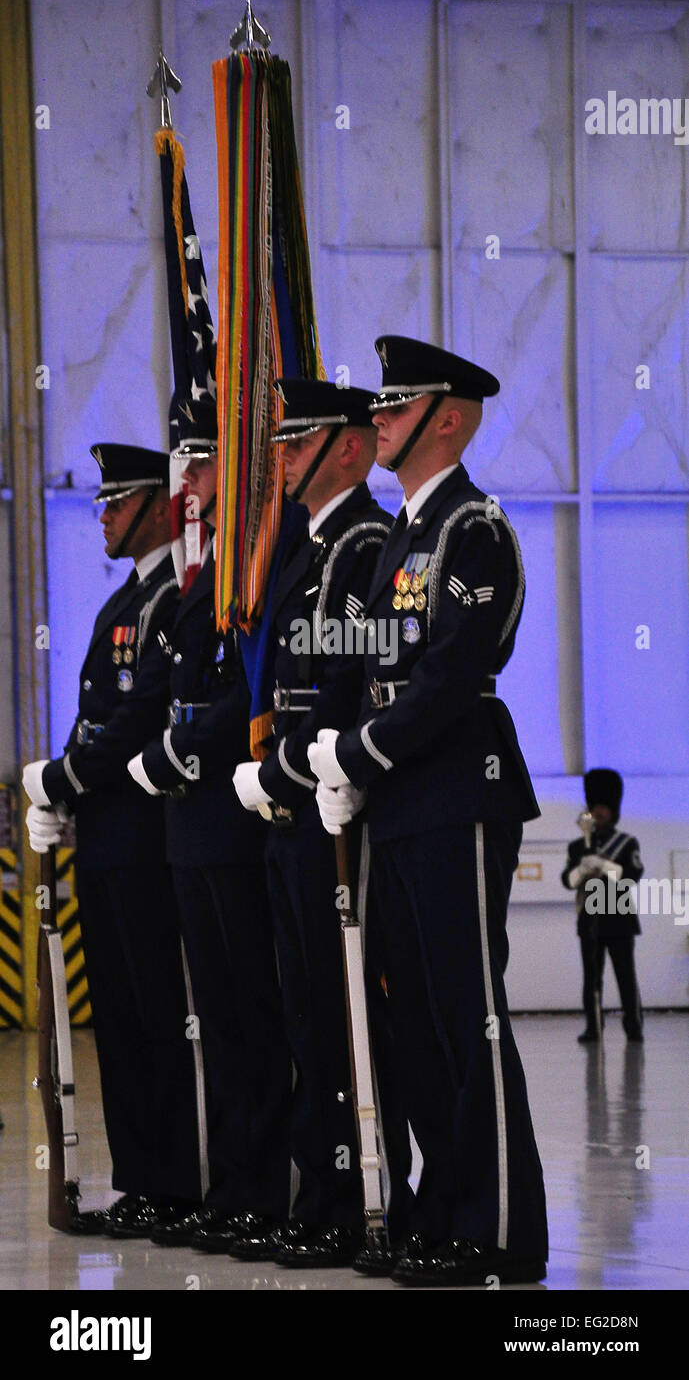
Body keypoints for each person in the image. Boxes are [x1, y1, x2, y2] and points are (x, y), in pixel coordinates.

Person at [308, 335, 549, 1287]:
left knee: (465, 1017)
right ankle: (441, 1214)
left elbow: (448, 670)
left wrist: (358, 750)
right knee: (409, 1021)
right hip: (398, 798)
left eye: (394, 405)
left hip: (458, 789)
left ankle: (499, 1232)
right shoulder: (400, 535)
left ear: (444, 417)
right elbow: (361, 659)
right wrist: (319, 753)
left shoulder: (471, 530)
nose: (376, 420)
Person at [233, 378, 412, 1269]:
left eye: (296, 442)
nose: (279, 458)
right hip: (291, 803)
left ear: (347, 446)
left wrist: (288, 763)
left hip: (333, 804)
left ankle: (356, 1195)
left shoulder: (365, 541)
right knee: (306, 1011)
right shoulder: (307, 547)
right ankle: (321, 1191)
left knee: (345, 1016)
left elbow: (344, 680)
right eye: (278, 443)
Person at [124, 400, 293, 1251]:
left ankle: (268, 1189)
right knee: (219, 1019)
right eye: (186, 464)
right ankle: (230, 1185)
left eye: (201, 461)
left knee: (251, 1012)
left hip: (229, 812)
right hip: (190, 819)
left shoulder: (257, 562)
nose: (186, 481)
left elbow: (250, 688)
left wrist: (186, 748)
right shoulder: (209, 572)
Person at [22, 443, 202, 1236]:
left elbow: (138, 719)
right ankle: (143, 1180)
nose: (102, 514)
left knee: (157, 1018)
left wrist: (62, 780)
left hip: (145, 837)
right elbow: (95, 714)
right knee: (120, 1026)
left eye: (117, 500)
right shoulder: (123, 602)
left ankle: (174, 1180)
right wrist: (64, 786)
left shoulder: (175, 595)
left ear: (159, 505)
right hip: (106, 839)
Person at [562, 768, 644, 1044]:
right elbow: (568, 880)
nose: (598, 812)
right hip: (590, 921)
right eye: (594, 806)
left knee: (626, 979)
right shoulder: (577, 846)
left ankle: (634, 1027)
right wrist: (582, 867)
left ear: (612, 810)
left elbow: (632, 875)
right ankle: (593, 1027)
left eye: (603, 807)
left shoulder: (626, 843)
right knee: (591, 980)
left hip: (619, 919)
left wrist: (604, 866)